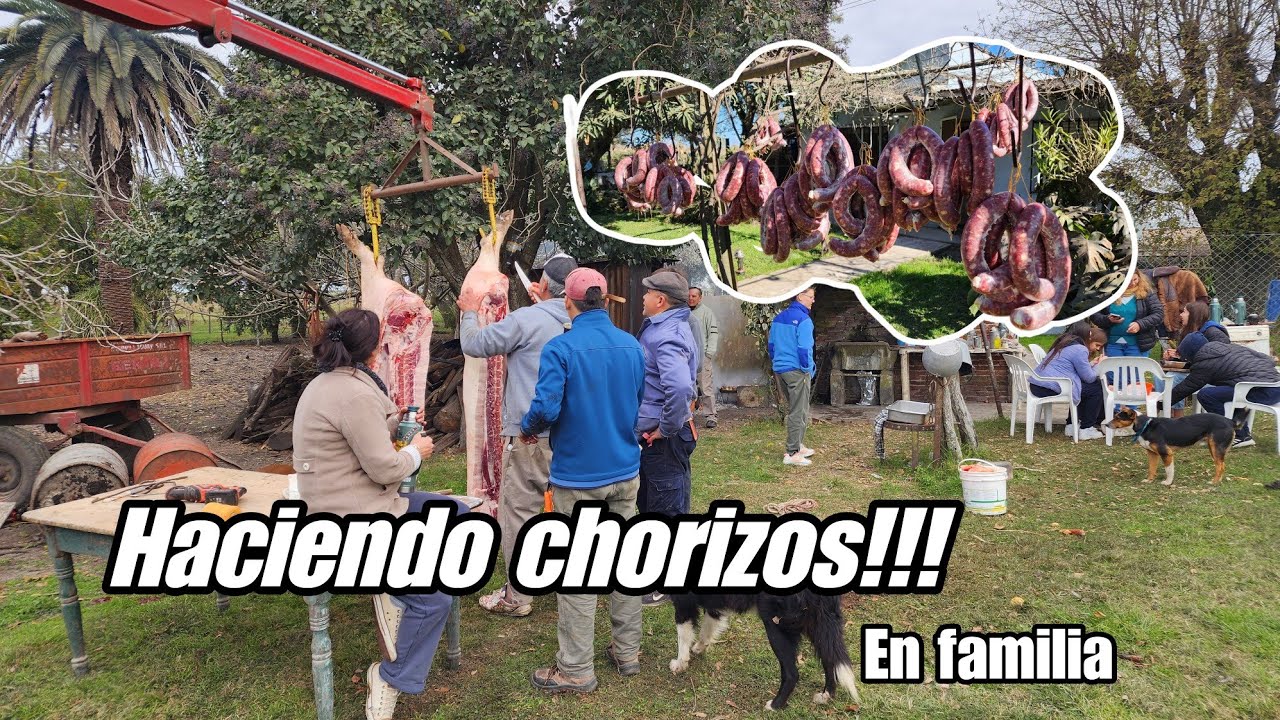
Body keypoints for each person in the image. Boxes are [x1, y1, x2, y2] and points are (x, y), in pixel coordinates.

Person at [291, 308, 467, 720]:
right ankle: (390, 675)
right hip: (355, 518)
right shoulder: (351, 392)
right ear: (371, 349)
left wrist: (399, 420)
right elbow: (386, 468)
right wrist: (415, 451)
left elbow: (368, 424)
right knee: (434, 598)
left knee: (455, 512)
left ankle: (394, 594)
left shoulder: (336, 382)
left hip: (361, 501)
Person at [520, 267, 647, 693]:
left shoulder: (561, 348)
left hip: (579, 477)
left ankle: (575, 669)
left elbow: (546, 407)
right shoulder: (632, 345)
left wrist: (528, 426)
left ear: (568, 302)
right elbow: (637, 401)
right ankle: (627, 652)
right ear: (605, 299)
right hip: (626, 471)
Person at [457, 253, 577, 618]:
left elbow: (474, 344)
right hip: (575, 436)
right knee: (572, 507)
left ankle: (517, 594)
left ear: (542, 285)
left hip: (532, 435)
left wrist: (467, 311)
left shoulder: (527, 320)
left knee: (520, 510)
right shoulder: (582, 322)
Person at [635, 267, 699, 605]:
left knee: (664, 507)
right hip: (659, 436)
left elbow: (679, 386)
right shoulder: (668, 327)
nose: (642, 297)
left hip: (663, 438)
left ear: (660, 300)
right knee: (655, 503)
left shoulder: (667, 334)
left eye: (647, 293)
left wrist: (665, 428)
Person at [1169, 334, 1280, 448]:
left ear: (1190, 353)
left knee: (1207, 395)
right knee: (1228, 392)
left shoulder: (1205, 362)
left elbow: (1186, 388)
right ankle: (1243, 434)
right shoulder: (1227, 347)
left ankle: (1235, 434)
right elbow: (1269, 360)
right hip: (1276, 386)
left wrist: (1163, 403)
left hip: (1263, 392)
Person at [1029, 321, 1108, 440]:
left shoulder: (1064, 344)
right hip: (1049, 387)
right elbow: (1089, 378)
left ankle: (1071, 425)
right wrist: (1100, 365)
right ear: (1088, 336)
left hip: (1038, 385)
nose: (1097, 349)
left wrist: (1091, 364)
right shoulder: (1080, 349)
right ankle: (1086, 429)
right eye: (1097, 345)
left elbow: (1076, 368)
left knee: (1081, 387)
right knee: (1096, 387)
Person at [768, 286, 817, 465]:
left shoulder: (778, 318)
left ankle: (798, 444)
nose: (813, 300)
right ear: (799, 296)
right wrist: (808, 369)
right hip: (797, 371)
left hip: (781, 370)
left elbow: (771, 346)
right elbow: (805, 349)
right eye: (810, 297)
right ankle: (792, 453)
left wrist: (778, 363)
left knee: (797, 408)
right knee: (798, 411)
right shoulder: (804, 320)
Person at [1159, 301, 1229, 417]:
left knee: (1173, 378)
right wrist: (1176, 356)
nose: (1181, 314)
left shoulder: (1214, 332)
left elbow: (1220, 358)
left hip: (1214, 377)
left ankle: (1177, 417)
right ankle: (1164, 412)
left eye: (1184, 312)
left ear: (1193, 315)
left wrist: (1183, 357)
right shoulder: (1188, 331)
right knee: (1161, 376)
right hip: (1197, 371)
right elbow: (1189, 358)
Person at [1092, 272, 1165, 358]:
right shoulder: (1105, 293)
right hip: (1112, 343)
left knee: (1135, 370)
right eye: (1128, 281)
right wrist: (1108, 319)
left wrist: (1140, 324)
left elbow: (1158, 314)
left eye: (1135, 279)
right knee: (1113, 370)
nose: (1133, 283)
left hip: (1138, 345)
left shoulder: (1147, 293)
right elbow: (1094, 314)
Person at [688, 286, 721, 429]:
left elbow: (713, 333)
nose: (691, 298)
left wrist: (709, 353)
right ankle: (687, 416)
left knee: (705, 387)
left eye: (694, 296)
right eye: (689, 296)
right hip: (686, 356)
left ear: (700, 297)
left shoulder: (707, 313)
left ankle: (711, 416)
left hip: (703, 356)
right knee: (687, 386)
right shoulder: (682, 312)